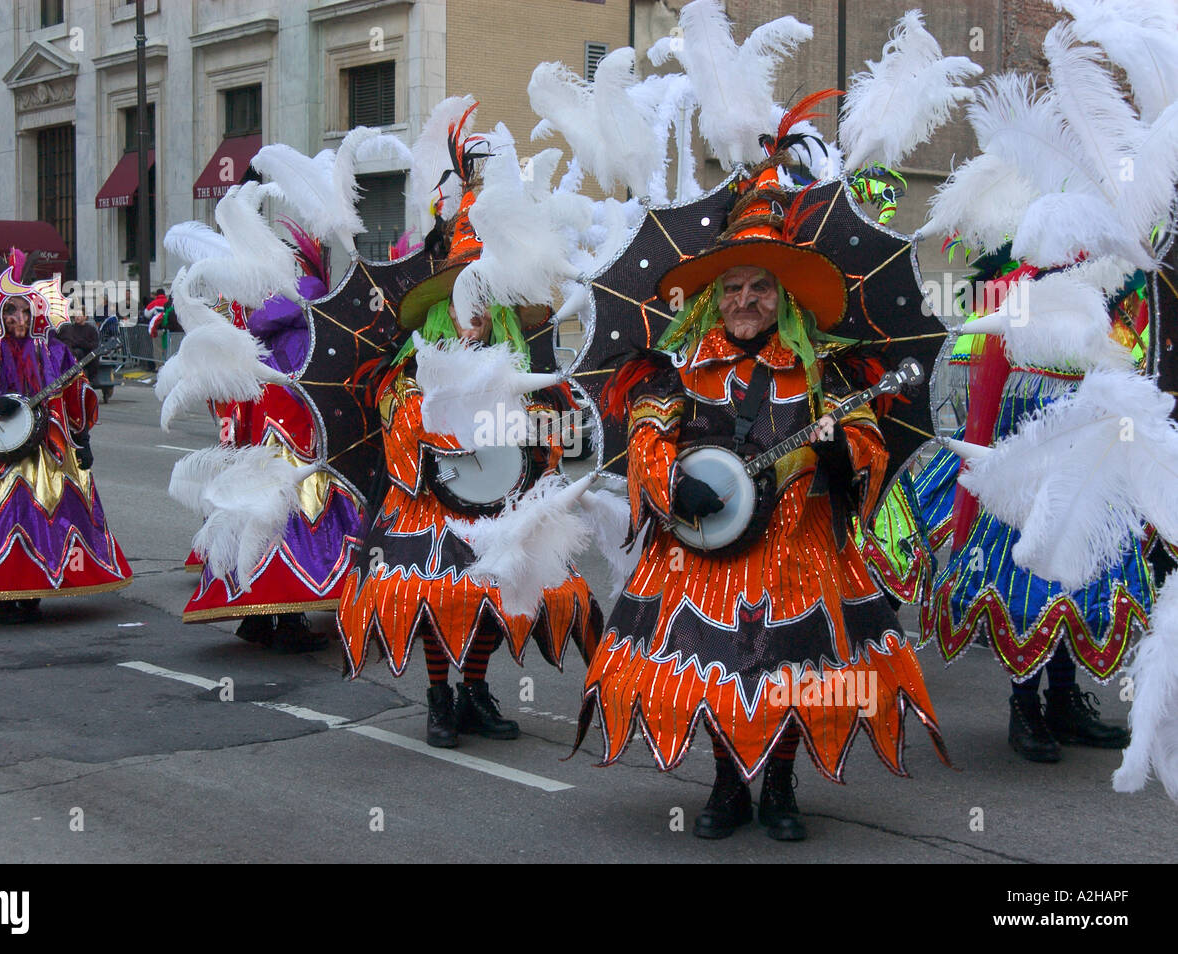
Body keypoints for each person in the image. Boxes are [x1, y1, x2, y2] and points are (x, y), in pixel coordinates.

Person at [574, 146, 949, 842]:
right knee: (717, 669)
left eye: (762, 288)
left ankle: (779, 785)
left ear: (787, 296)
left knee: (789, 670)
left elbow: (868, 447)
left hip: (799, 549)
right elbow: (647, 442)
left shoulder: (826, 373)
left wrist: (840, 445)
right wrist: (674, 486)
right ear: (713, 295)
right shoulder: (680, 370)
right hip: (701, 554)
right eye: (733, 287)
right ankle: (724, 785)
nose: (746, 301)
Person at [335, 147, 601, 750]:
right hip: (429, 502)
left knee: (505, 587)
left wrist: (549, 431)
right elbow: (398, 423)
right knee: (438, 591)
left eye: (483, 300)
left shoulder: (517, 365)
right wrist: (437, 427)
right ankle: (438, 698)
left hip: (499, 503)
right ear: (443, 307)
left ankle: (475, 691)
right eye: (462, 298)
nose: (472, 313)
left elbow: (551, 437)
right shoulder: (413, 371)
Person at [915, 257, 1151, 763]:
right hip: (1028, 475)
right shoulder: (1029, 305)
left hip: (1090, 469)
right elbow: (1017, 405)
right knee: (1029, 592)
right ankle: (1024, 708)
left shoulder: (1111, 302)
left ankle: (1063, 703)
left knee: (1078, 585)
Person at [0, 249, 133, 623]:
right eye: (9, 312)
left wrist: (83, 443)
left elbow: (75, 395)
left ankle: (35, 590)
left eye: (23, 311)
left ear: (37, 311)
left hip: (47, 453)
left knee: (47, 520)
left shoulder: (54, 350)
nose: (17, 319)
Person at [181, 229, 365, 652]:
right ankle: (286, 615)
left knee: (261, 514)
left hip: (278, 424)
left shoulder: (261, 308)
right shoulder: (293, 301)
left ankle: (258, 616)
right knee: (289, 516)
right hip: (292, 427)